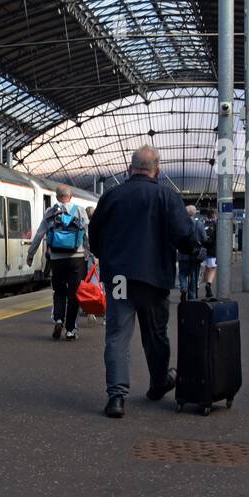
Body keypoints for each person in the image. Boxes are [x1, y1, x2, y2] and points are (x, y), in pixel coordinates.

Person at [87, 146, 199, 418]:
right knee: (156, 335)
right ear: (157, 171)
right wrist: (193, 249)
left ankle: (116, 398)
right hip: (154, 278)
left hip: (120, 279)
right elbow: (184, 236)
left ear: (129, 168)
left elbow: (95, 234)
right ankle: (158, 382)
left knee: (117, 336)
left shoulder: (112, 196)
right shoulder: (166, 196)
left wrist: (109, 260)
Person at [25, 185, 91, 341]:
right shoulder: (80, 211)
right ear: (71, 196)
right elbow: (88, 235)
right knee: (74, 294)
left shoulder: (50, 212)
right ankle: (70, 330)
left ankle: (59, 319)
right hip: (77, 258)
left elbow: (40, 234)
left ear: (56, 197)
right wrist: (92, 253)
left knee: (59, 291)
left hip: (56, 259)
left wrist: (30, 254)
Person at [176, 204, 203, 299]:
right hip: (195, 255)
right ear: (194, 213)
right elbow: (204, 238)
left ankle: (183, 287)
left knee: (182, 273)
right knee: (194, 275)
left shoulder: (180, 224)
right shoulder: (199, 224)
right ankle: (192, 296)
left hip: (182, 254)